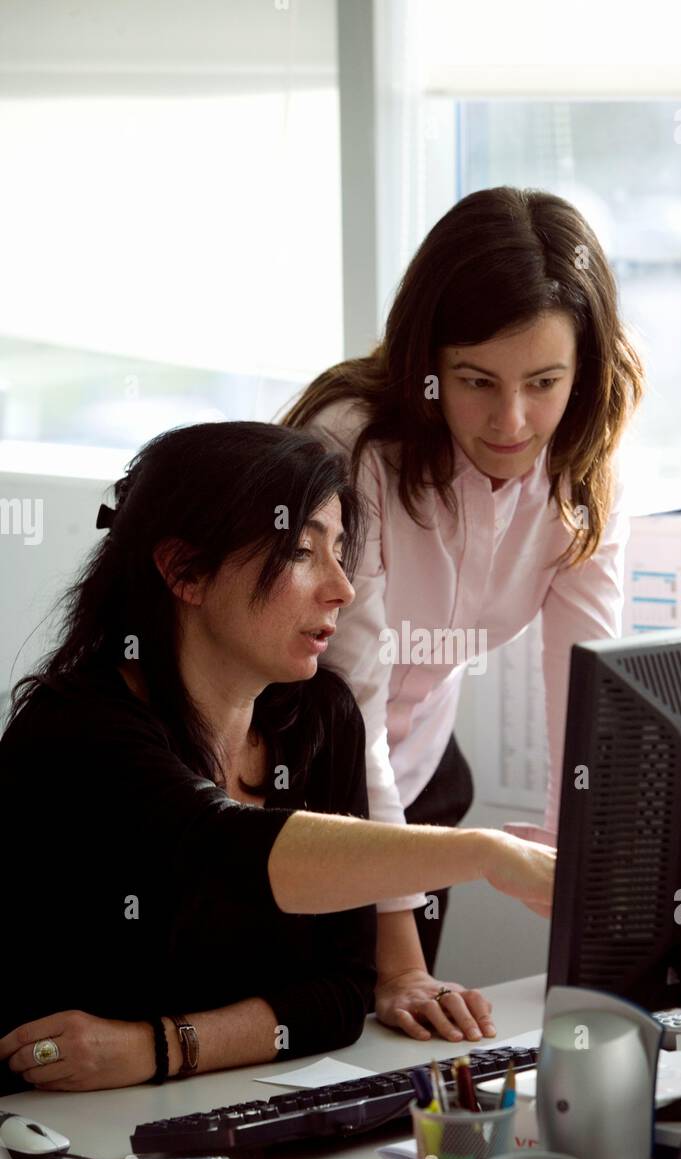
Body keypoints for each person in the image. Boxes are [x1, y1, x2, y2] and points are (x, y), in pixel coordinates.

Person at [0, 422, 555, 1095]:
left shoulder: (320, 718)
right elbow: (226, 849)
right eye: (300, 552)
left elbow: (342, 989)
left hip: (206, 1107)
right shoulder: (77, 731)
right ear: (185, 571)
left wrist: (166, 1046)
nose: (342, 589)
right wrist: (482, 853)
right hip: (50, 1128)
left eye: (341, 551)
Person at [280, 185, 644, 1044]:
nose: (511, 421)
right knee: (313, 1034)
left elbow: (591, 694)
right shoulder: (353, 447)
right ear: (428, 362)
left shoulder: (585, 468)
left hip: (425, 787)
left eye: (544, 383)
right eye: (477, 382)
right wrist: (398, 955)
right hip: (294, 784)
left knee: (399, 1060)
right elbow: (350, 700)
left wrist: (595, 907)